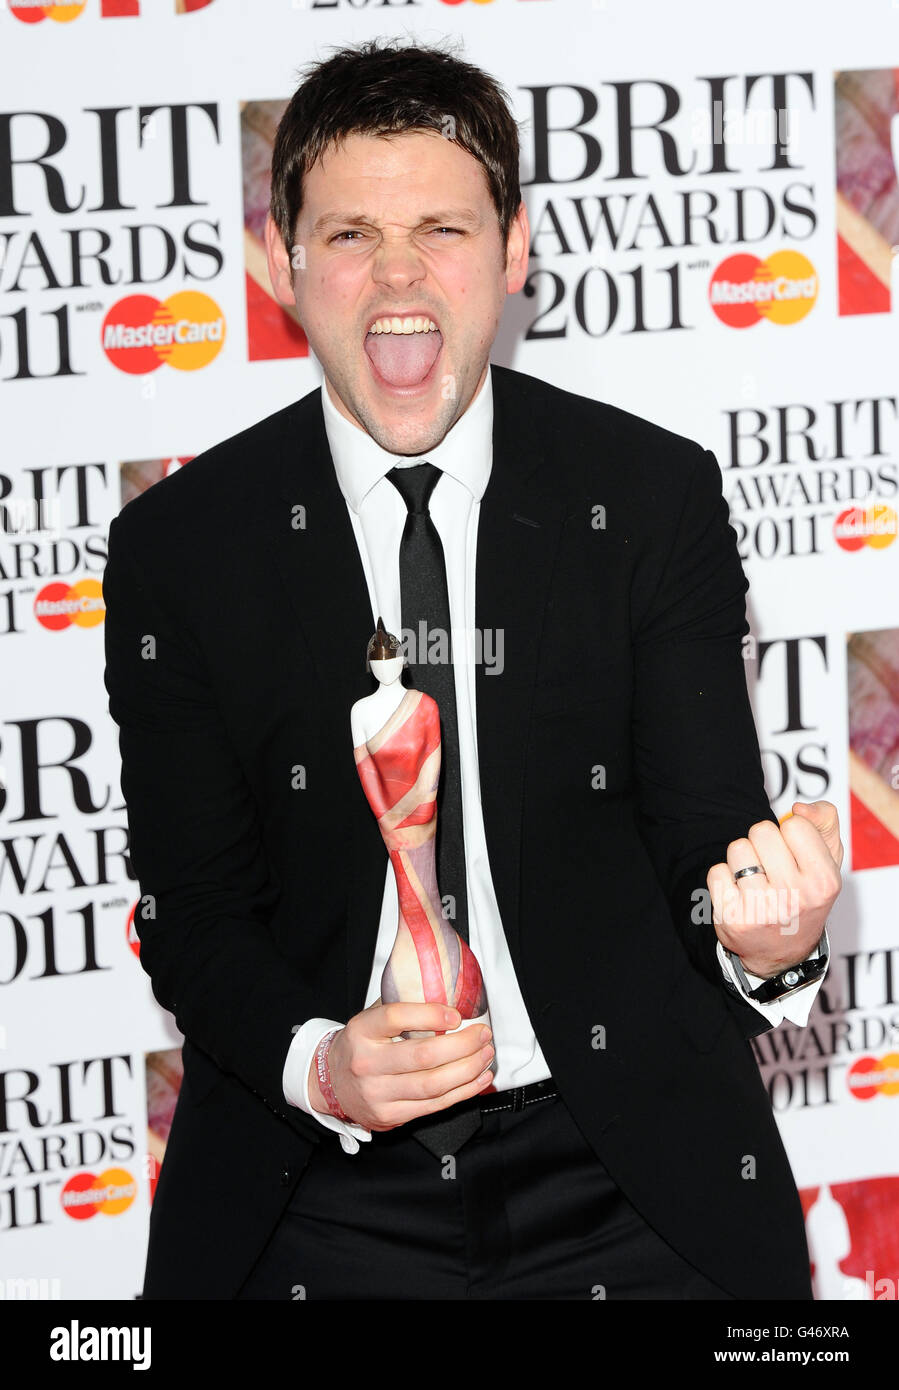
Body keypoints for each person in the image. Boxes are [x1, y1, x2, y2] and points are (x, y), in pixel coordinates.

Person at [103, 36, 843, 1301]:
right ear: (284, 263)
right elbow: (195, 911)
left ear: (511, 254)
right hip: (314, 1174)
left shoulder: (648, 497)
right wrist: (319, 1065)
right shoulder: (183, 547)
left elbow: (706, 836)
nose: (396, 276)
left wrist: (770, 939)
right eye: (347, 236)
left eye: (440, 229)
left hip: (626, 1167)